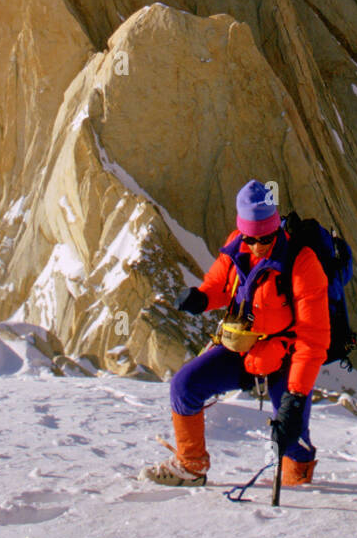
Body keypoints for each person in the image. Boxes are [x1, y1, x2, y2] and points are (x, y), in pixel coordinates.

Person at [140, 179, 330, 488]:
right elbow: (219, 283)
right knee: (185, 386)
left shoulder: (302, 263)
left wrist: (295, 396)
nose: (256, 246)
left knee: (291, 434)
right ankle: (191, 465)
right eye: (249, 238)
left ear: (276, 228)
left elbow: (313, 339)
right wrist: (201, 298)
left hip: (287, 356)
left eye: (265, 238)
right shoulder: (238, 244)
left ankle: (300, 482)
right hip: (244, 347)